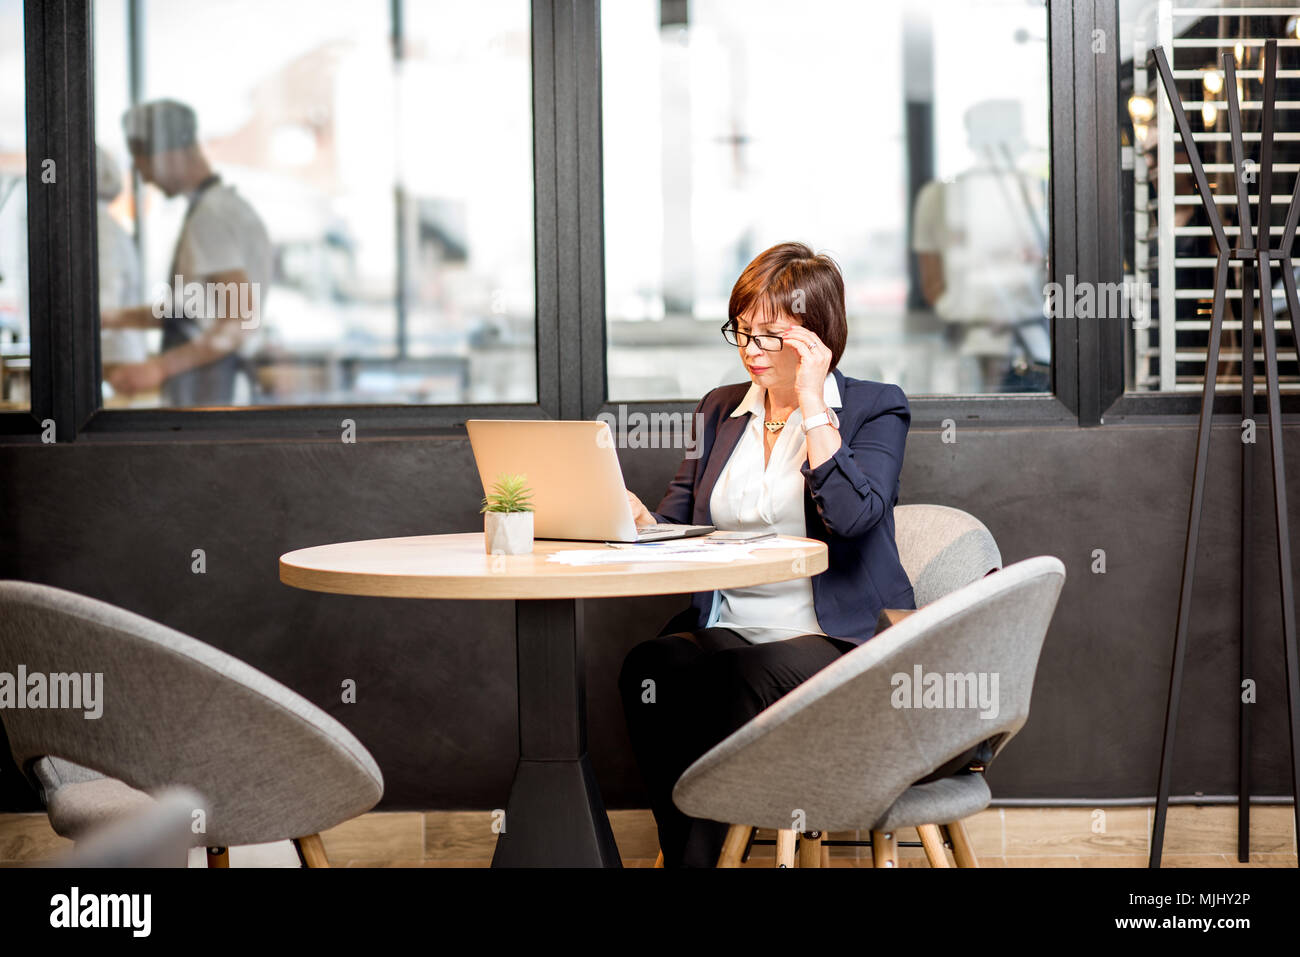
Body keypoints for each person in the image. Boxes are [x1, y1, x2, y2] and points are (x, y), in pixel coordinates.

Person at [619, 241, 916, 867]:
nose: (751, 351)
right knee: (650, 668)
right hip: (730, 626)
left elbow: (855, 518)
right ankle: (689, 859)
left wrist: (812, 403)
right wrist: (636, 520)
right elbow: (680, 522)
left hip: (832, 637)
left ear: (815, 338)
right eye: (741, 333)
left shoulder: (873, 408)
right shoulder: (720, 409)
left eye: (770, 336)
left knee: (730, 681)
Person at [101, 99, 272, 406]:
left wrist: (158, 367)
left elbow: (240, 319)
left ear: (167, 154)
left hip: (216, 393)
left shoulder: (211, 217)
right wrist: (114, 317)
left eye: (142, 164)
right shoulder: (220, 208)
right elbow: (191, 311)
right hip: (208, 390)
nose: (144, 178)